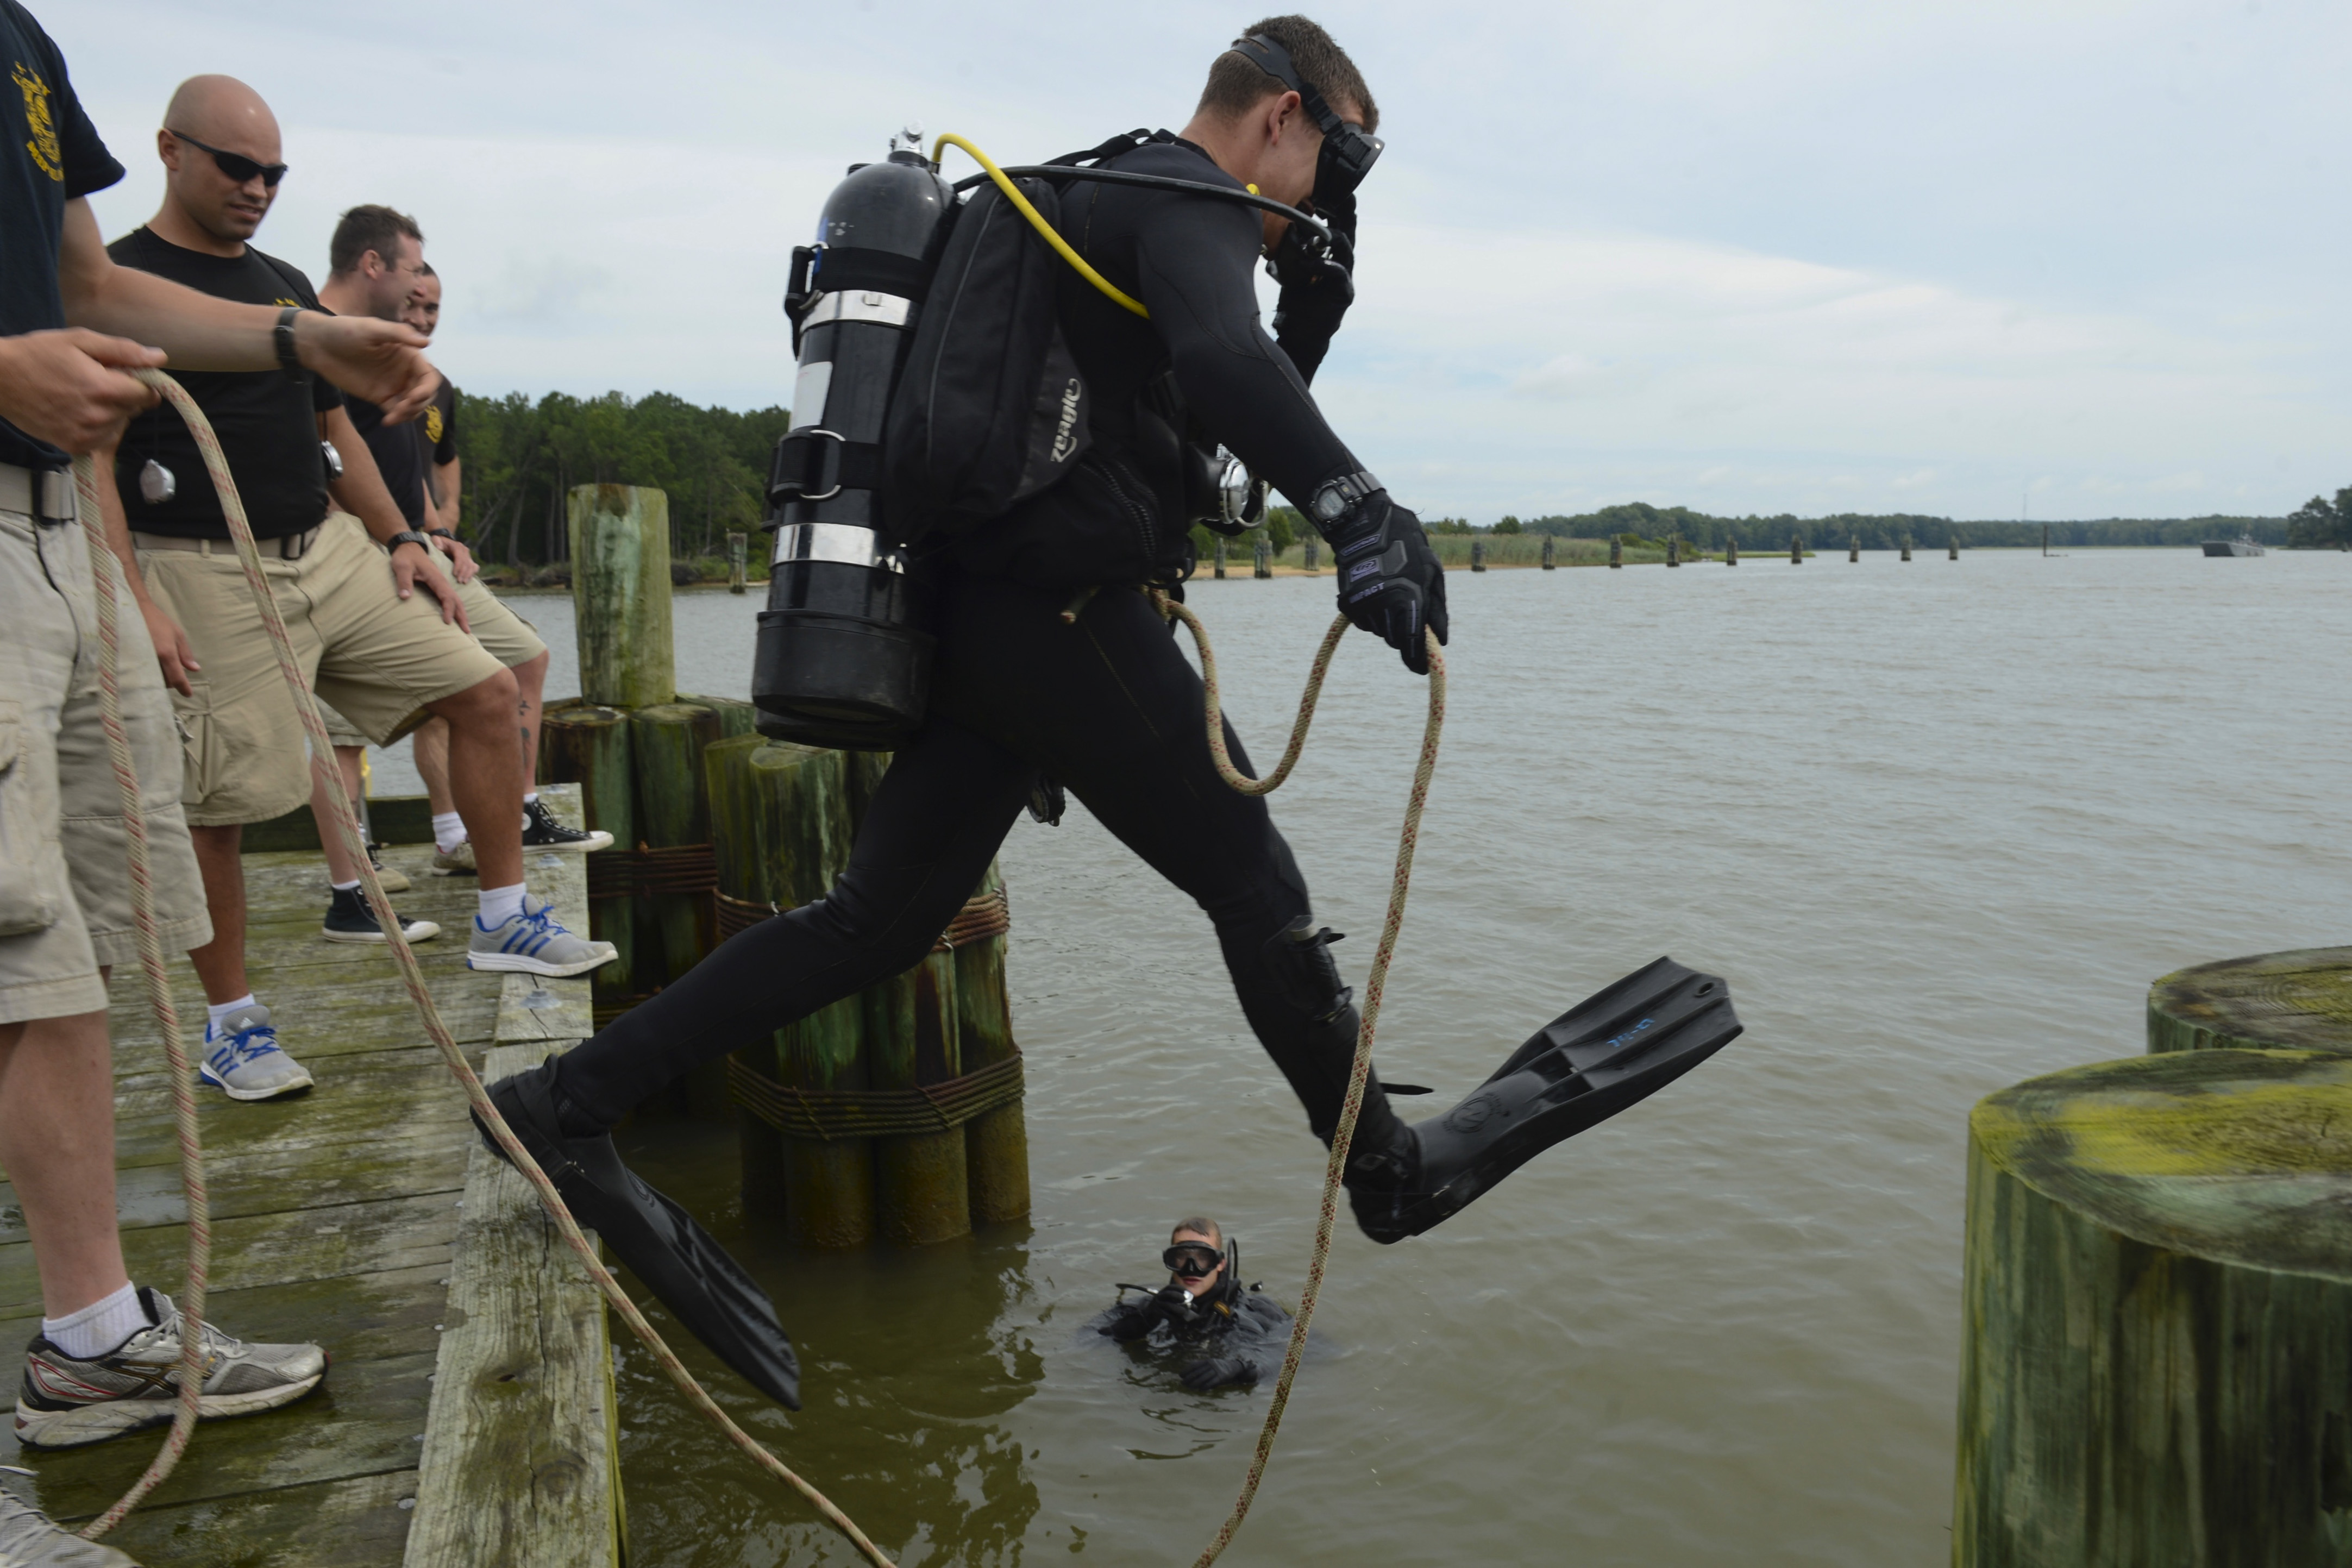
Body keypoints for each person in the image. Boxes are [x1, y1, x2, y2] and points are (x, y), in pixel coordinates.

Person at [0, 10, 433, 1558]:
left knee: (57, 949)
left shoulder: (22, 43)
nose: (255, 186)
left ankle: (89, 1334)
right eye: (232, 163)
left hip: (53, 519)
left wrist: (309, 341)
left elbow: (90, 288)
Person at [93, 88, 616, 1103]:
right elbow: (97, 461)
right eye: (234, 168)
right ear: (168, 150)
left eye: (272, 174)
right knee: (220, 808)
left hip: (329, 549)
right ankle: (232, 1026)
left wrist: (405, 537)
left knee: (484, 684)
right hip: (197, 561)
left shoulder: (285, 284)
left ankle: (503, 918)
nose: (255, 189)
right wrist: (136, 600)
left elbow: (335, 436)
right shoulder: (118, 282)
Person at [371, 258, 608, 875]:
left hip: (424, 543)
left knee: (516, 660)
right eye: (411, 305)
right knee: (434, 697)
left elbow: (438, 456)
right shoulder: (351, 368)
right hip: (367, 548)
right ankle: (447, 836)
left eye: (432, 310)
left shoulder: (436, 384)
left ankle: (514, 815)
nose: (421, 319)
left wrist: (443, 526)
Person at [1099, 1218, 1289, 1390]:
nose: (1191, 1268)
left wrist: (1243, 1368)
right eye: (1181, 1256)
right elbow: (1088, 1340)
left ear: (1221, 1263)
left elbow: (1307, 1350)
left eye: (1203, 1257)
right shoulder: (1147, 1307)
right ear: (1169, 1260)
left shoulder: (1257, 1309)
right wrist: (1144, 1321)